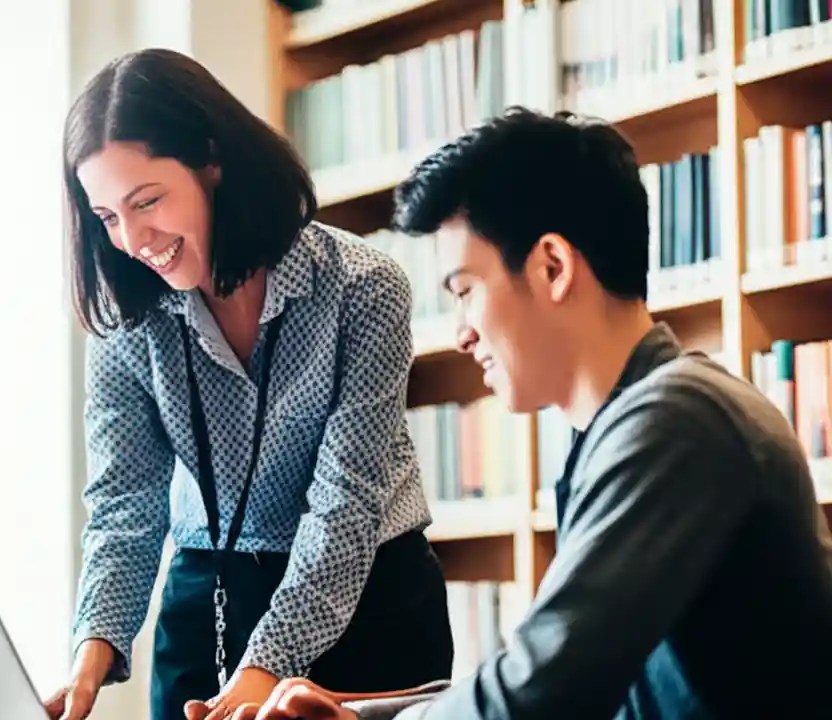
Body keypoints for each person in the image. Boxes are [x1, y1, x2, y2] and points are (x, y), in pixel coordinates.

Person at [251, 107, 832, 719]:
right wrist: (359, 715)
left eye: (465, 290)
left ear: (552, 267)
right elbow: (536, 668)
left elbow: (539, 695)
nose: (462, 334)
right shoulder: (636, 422)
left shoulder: (678, 421)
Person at [44, 48, 454, 720]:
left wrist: (266, 666)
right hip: (206, 592)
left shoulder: (362, 287)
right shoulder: (129, 325)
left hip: (368, 592)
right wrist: (89, 658)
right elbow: (125, 502)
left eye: (147, 201)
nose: (134, 238)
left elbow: (345, 502)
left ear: (212, 160)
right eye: (108, 217)